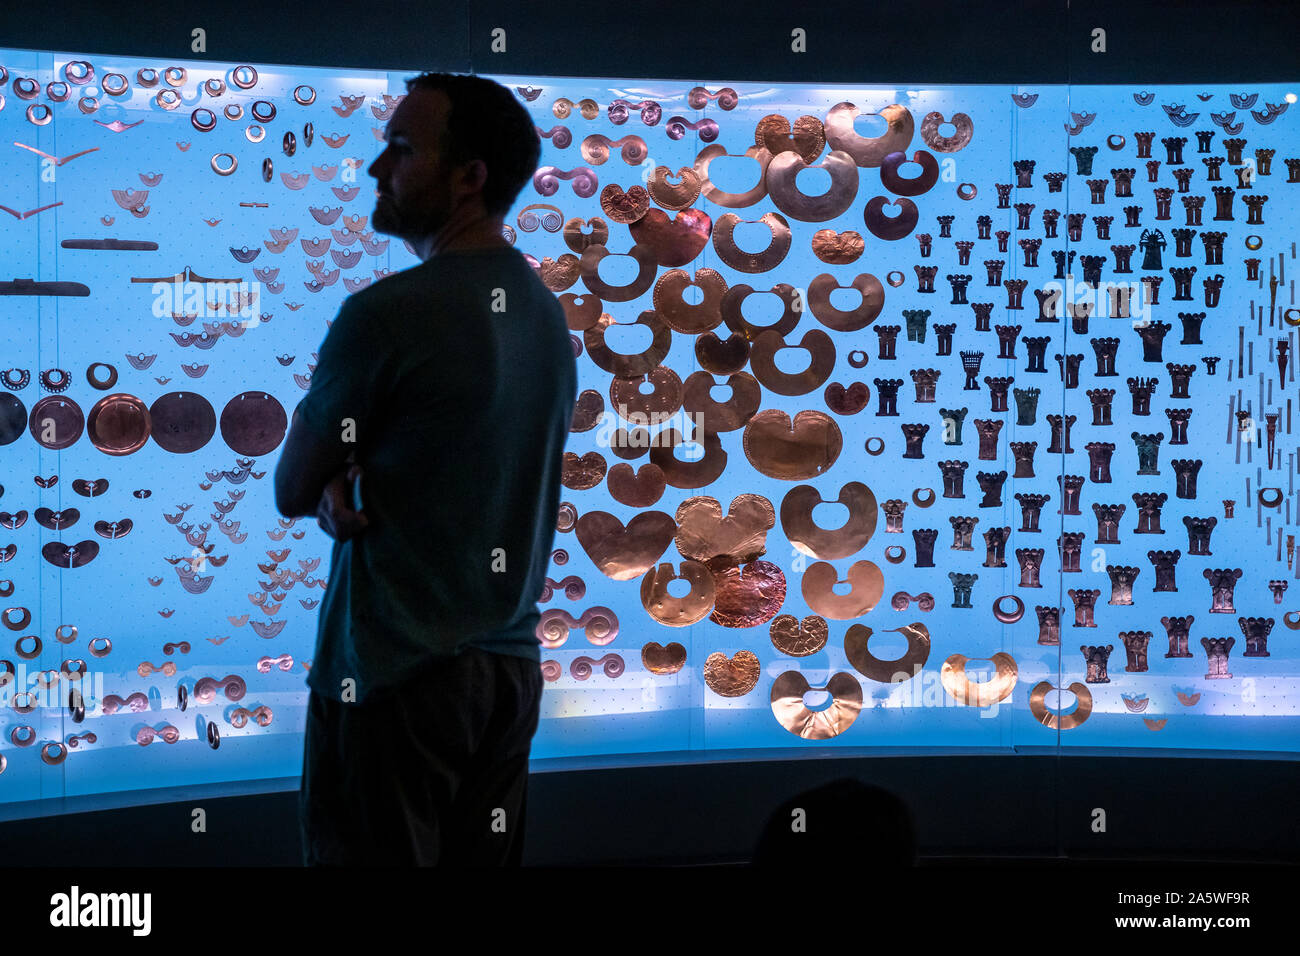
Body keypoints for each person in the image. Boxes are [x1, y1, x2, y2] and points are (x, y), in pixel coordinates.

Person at [273, 72, 577, 866]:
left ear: (470, 176)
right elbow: (457, 449)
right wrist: (357, 470)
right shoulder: (543, 315)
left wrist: (336, 471)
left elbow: (291, 486)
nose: (380, 167)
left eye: (403, 149)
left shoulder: (388, 312)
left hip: (394, 676)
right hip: (505, 677)